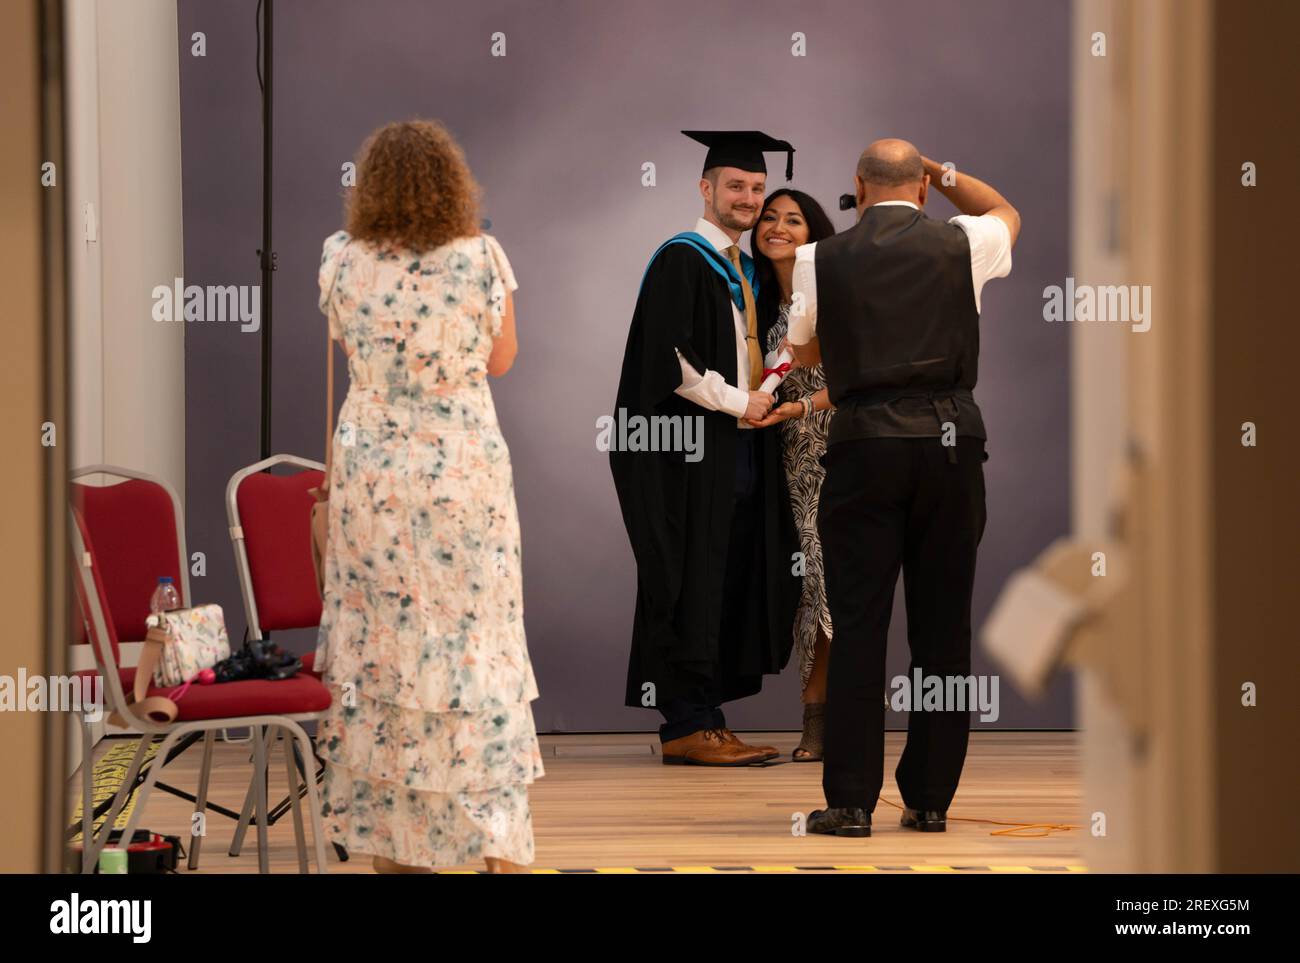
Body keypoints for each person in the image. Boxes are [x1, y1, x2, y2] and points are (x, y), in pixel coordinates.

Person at [313, 119, 543, 872]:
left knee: (385, 648)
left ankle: (398, 848)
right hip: (461, 467)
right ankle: (488, 840)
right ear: (453, 181)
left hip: (373, 471)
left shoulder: (341, 261)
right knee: (474, 643)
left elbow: (350, 350)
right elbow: (504, 359)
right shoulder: (481, 257)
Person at [788, 139, 1020, 837]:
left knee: (858, 624)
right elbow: (1007, 210)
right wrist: (948, 174)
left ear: (858, 187)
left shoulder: (816, 259)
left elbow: (806, 351)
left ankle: (853, 802)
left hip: (865, 447)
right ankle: (928, 800)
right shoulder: (965, 241)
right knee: (943, 629)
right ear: (920, 187)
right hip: (951, 445)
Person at [610, 130, 801, 766]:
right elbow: (669, 358)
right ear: (706, 189)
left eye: (755, 188)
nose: (748, 199)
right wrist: (737, 401)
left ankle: (709, 718)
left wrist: (766, 390)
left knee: (727, 574)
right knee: (687, 573)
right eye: (736, 187)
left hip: (740, 449)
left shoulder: (748, 269)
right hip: (688, 451)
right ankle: (686, 724)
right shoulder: (682, 258)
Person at [744, 189, 838, 761]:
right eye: (769, 217)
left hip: (829, 452)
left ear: (813, 234)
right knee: (800, 590)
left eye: (793, 219)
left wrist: (801, 408)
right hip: (767, 458)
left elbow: (859, 379)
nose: (777, 226)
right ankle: (830, 710)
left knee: (825, 583)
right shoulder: (748, 299)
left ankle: (821, 715)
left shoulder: (832, 295)